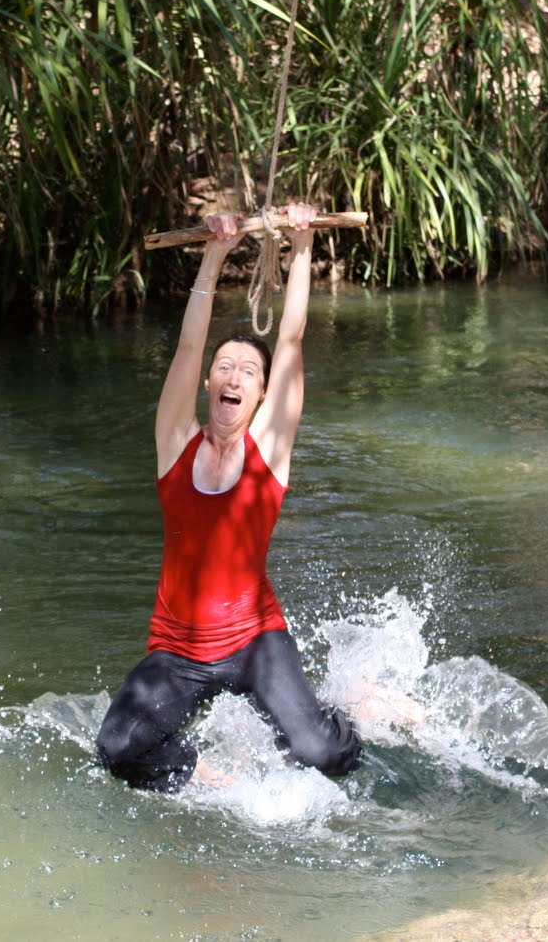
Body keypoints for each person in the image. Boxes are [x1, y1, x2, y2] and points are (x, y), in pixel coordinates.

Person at [96, 202, 363, 793]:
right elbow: (187, 350)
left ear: (262, 393)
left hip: (254, 642)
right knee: (116, 749)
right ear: (210, 384)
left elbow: (290, 342)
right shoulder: (175, 446)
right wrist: (214, 254)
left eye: (248, 371)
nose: (235, 376)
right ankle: (203, 774)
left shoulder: (269, 451)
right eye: (225, 367)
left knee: (320, 754)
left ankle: (354, 712)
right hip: (177, 652)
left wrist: (300, 247)